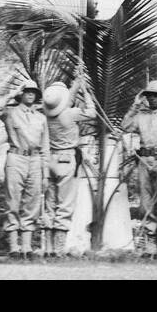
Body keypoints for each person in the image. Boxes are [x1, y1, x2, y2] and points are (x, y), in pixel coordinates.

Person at [121, 79, 157, 261]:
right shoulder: (140, 117)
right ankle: (151, 242)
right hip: (144, 161)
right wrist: (135, 105)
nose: (153, 99)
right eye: (150, 95)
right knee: (146, 204)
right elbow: (124, 126)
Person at [0, 78, 49, 261]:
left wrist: (45, 173)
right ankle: (13, 246)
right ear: (21, 94)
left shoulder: (41, 118)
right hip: (16, 157)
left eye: (34, 92)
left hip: (35, 159)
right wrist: (13, 91)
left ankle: (26, 246)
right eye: (27, 91)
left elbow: (45, 147)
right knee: (13, 201)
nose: (31, 94)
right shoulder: (10, 113)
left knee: (31, 202)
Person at [41, 76, 96, 257]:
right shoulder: (71, 114)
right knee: (64, 206)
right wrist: (85, 91)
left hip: (49, 160)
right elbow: (91, 112)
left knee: (49, 205)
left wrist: (74, 86)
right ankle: (58, 250)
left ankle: (48, 248)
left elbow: (64, 103)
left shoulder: (44, 113)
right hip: (66, 160)